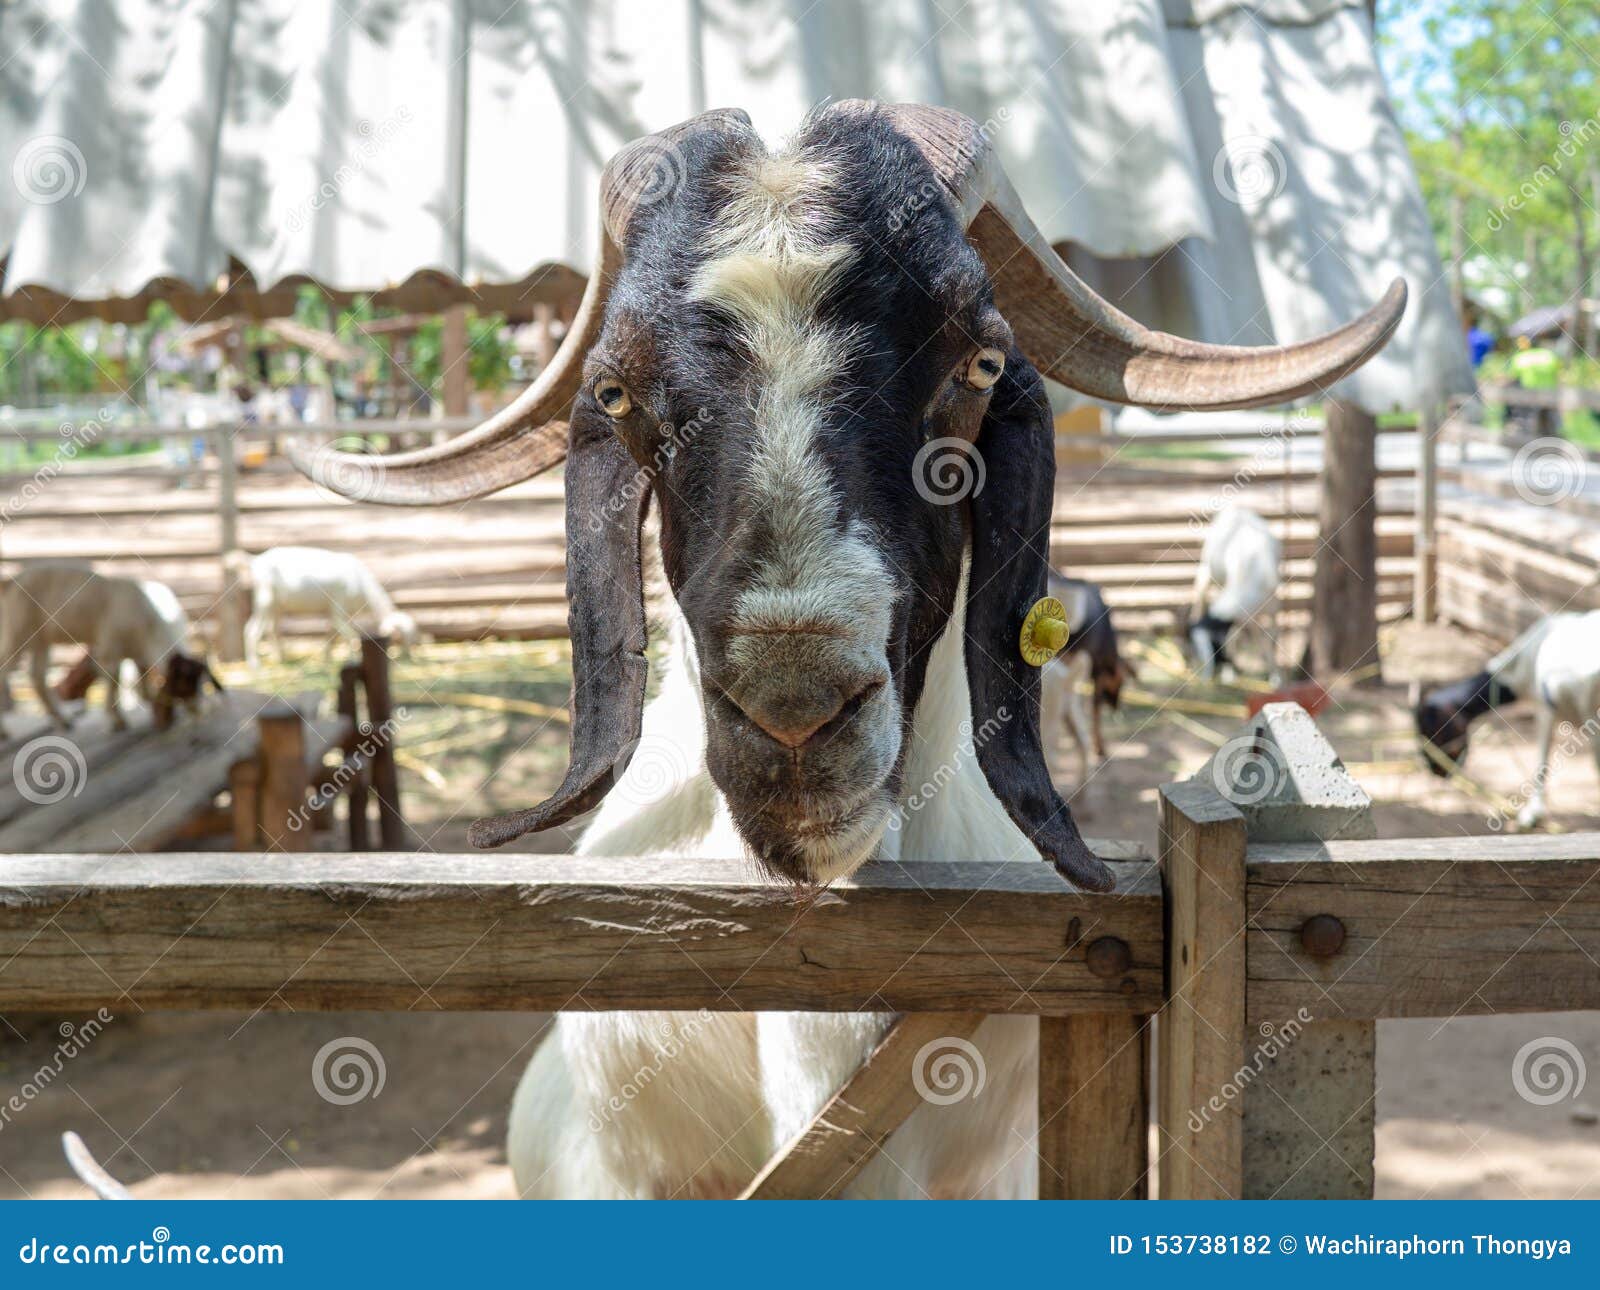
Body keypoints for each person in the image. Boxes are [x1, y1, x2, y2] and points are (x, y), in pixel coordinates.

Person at [1509, 334, 1561, 436]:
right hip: (1549, 394)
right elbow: (1557, 374)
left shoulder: (1521, 357)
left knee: (1526, 421)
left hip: (1529, 394)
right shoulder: (1549, 355)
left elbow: (1513, 377)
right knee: (1550, 422)